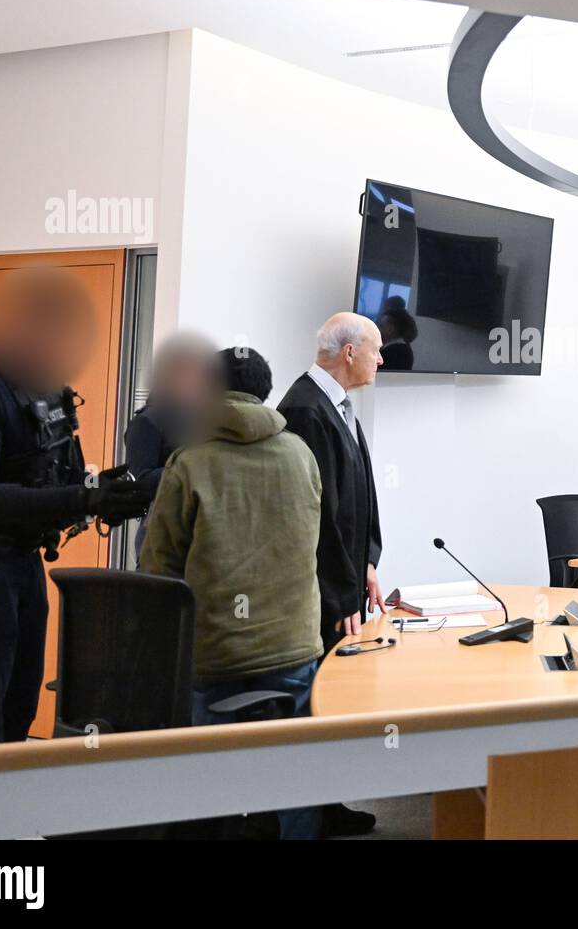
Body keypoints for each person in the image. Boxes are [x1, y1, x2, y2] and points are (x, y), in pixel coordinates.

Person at [0, 267, 151, 745]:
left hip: (17, 562)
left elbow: (50, 478)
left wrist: (100, 494)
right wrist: (83, 498)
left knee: (17, 711)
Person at [139, 347, 324, 841]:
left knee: (206, 780)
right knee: (295, 771)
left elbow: (158, 569)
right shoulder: (300, 454)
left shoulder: (190, 461)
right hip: (295, 646)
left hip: (215, 654)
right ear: (265, 390)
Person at [277, 313, 385, 837]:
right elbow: (315, 519)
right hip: (320, 594)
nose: (380, 359)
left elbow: (358, 494)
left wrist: (368, 562)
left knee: (330, 701)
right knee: (316, 701)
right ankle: (309, 815)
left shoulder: (337, 405)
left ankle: (325, 804)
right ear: (349, 352)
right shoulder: (306, 409)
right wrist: (340, 594)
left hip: (343, 583)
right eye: (376, 350)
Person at [123, 332, 220, 560]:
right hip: (161, 533)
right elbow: (140, 482)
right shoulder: (148, 420)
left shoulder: (202, 417)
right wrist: (191, 466)